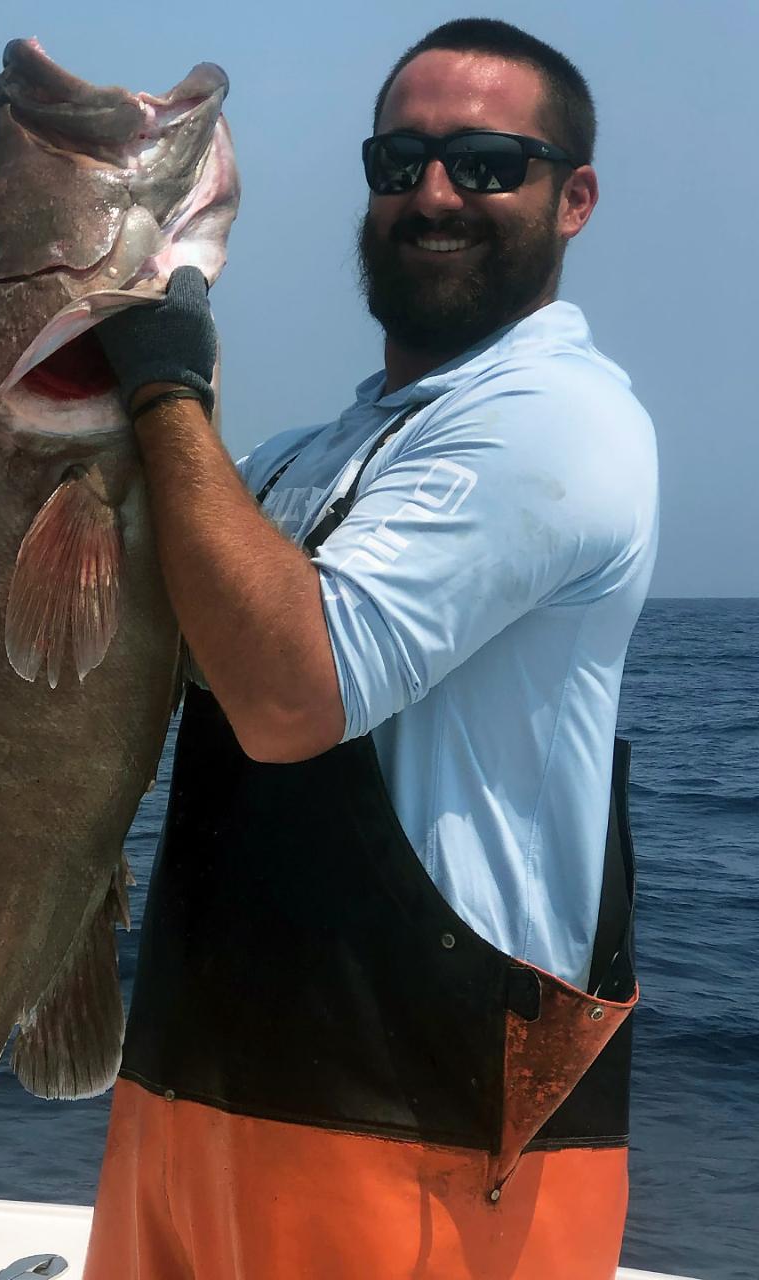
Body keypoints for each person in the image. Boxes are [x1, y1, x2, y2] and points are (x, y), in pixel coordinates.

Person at [84, 18, 659, 1280]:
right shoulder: (313, 453)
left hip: (414, 1150)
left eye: (485, 162)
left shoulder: (554, 422)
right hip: (190, 1098)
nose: (434, 194)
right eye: (399, 162)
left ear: (573, 198)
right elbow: (148, 651)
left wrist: (165, 392)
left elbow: (290, 693)